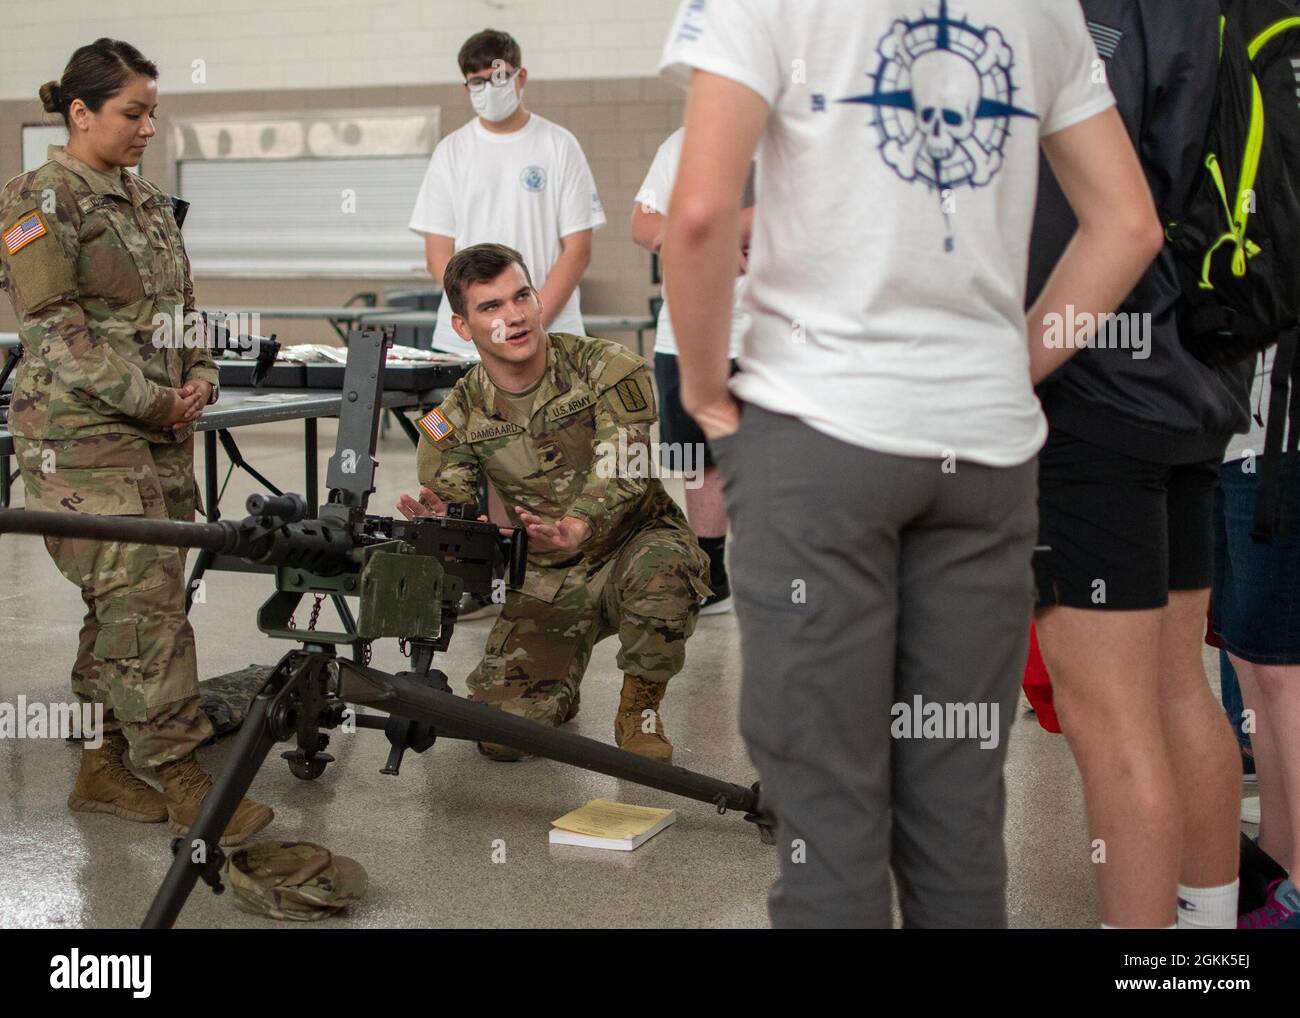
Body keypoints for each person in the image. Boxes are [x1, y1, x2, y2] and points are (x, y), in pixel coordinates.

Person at [660, 0, 1160, 927]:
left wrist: (702, 388)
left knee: (829, 820)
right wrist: (1011, 361)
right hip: (985, 452)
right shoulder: (1045, 8)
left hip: (821, 429)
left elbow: (695, 217)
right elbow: (1128, 225)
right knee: (958, 814)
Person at [0, 39, 272, 846]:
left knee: (121, 607)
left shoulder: (147, 203)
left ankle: (101, 761)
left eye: (153, 110)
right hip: (80, 443)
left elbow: (184, 306)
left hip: (156, 436)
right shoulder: (36, 200)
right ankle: (185, 779)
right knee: (145, 605)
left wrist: (201, 376)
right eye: (133, 112)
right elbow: (56, 335)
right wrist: (158, 400)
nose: (148, 126)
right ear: (81, 113)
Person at [1027, 1, 1250, 929]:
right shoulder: (1204, 12)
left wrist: (1012, 374)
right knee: (1175, 691)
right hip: (1193, 385)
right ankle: (1204, 942)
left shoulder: (1081, 21)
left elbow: (1114, 230)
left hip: (1094, 399)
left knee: (1111, 723)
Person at [395, 243, 711, 763]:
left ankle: (640, 711)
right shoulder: (452, 417)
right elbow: (454, 495)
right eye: (490, 307)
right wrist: (443, 523)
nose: (513, 316)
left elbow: (624, 466)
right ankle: (555, 689)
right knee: (500, 740)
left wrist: (578, 523)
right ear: (462, 326)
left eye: (521, 296)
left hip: (635, 542)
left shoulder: (607, 367)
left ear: (539, 300)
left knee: (667, 569)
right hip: (549, 572)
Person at [408, 29, 605, 358]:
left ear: (520, 76)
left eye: (498, 76)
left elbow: (577, 251)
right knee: (454, 412)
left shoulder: (559, 145)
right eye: (477, 81)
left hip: (552, 334)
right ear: (466, 86)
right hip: (466, 345)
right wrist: (483, 321)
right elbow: (438, 254)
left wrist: (530, 318)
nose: (488, 87)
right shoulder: (451, 151)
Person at [632, 127, 753, 613]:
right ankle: (712, 576)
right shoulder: (681, 144)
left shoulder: (796, 133)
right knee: (699, 460)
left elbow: (795, 217)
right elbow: (642, 225)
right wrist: (703, 234)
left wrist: (699, 229)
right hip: (686, 332)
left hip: (774, 332)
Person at [1213, 347, 1300, 929]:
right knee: (1252, 662)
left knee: (1286, 672)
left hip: (1285, 430)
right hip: (1232, 431)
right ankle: (1279, 854)